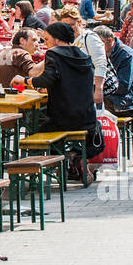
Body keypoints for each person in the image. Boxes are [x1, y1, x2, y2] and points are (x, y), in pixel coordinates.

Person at [30, 22, 102, 181]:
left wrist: (27, 80)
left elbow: (46, 79)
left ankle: (55, 165)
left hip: (64, 119)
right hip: (88, 119)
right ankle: (74, 156)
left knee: (34, 127)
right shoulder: (83, 56)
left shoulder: (54, 54)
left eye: (47, 39)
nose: (46, 43)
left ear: (56, 39)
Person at [95, 25, 133, 117]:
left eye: (99, 44)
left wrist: (99, 89)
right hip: (111, 97)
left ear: (110, 41)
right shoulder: (99, 53)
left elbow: (123, 87)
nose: (96, 47)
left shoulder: (126, 54)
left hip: (127, 102)